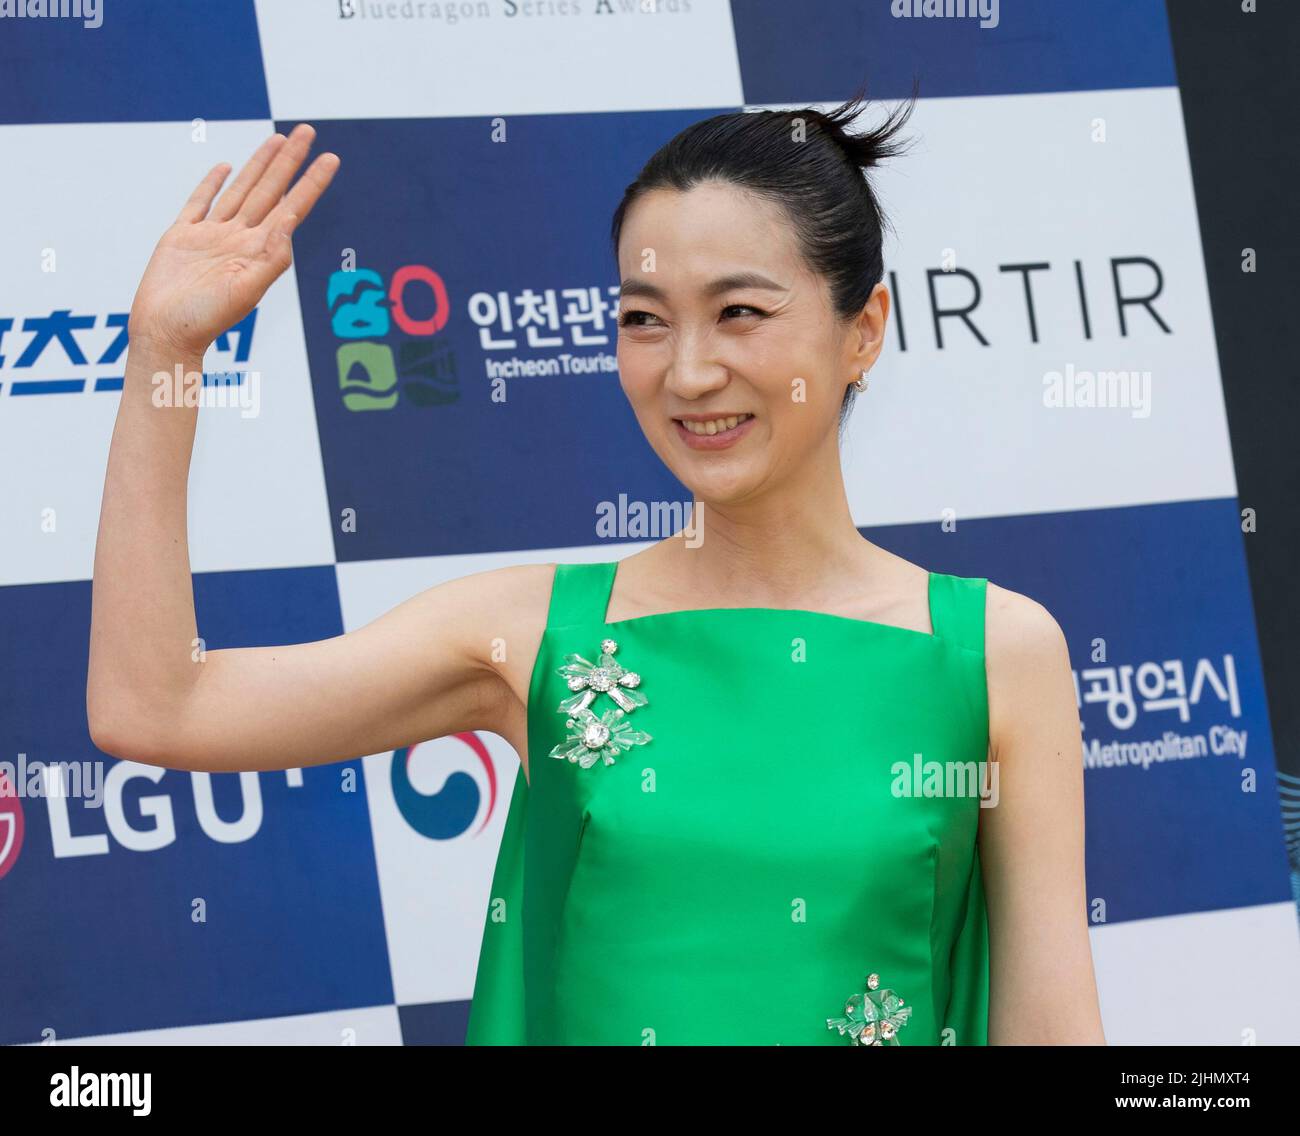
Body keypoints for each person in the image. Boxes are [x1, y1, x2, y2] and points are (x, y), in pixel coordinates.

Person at [87, 89, 1106, 1045]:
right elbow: (154, 703)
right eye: (644, 318)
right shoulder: (536, 634)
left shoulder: (991, 652)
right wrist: (165, 356)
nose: (688, 370)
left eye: (739, 312)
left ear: (863, 330)